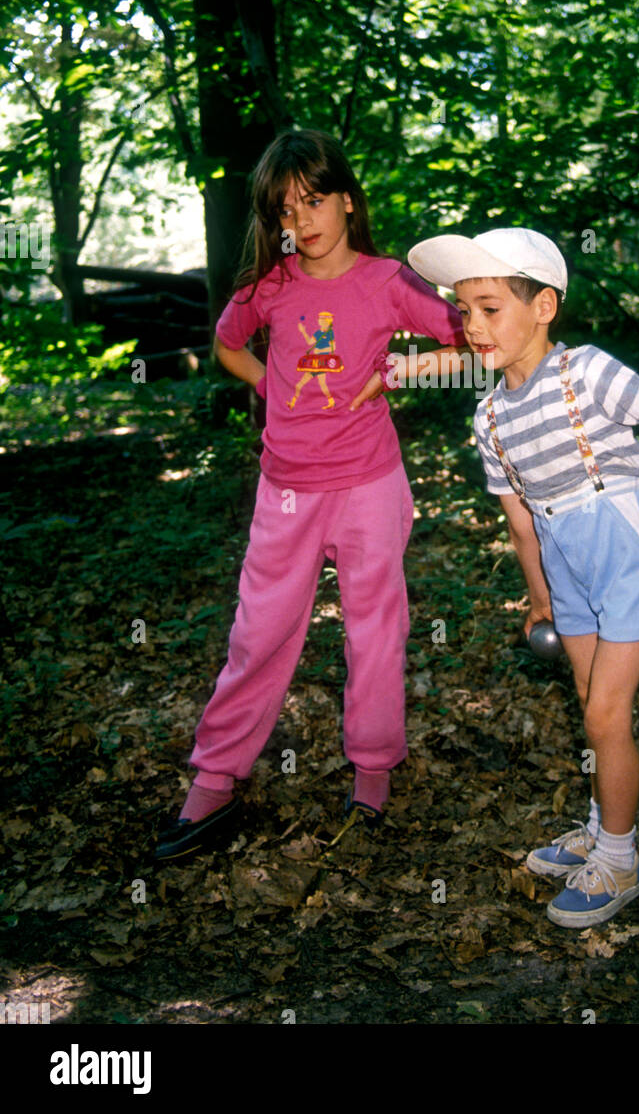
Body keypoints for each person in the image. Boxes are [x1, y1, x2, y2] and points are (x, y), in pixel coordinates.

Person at [154, 129, 465, 862]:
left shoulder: (389, 280)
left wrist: (396, 374)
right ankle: (215, 779)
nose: (303, 220)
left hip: (369, 486)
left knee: (374, 631)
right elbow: (229, 343)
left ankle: (373, 772)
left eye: (315, 200)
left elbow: (469, 337)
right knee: (258, 634)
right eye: (286, 210)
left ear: (347, 201)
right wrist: (274, 389)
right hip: (286, 491)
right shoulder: (271, 285)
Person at [407, 227, 639, 927]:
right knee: (587, 701)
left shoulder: (587, 372)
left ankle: (621, 860)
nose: (472, 326)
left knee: (606, 713)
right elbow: (520, 523)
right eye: (464, 311)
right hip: (562, 561)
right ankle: (602, 829)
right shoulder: (490, 416)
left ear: (543, 307)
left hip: (626, 548)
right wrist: (539, 597)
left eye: (490, 309)